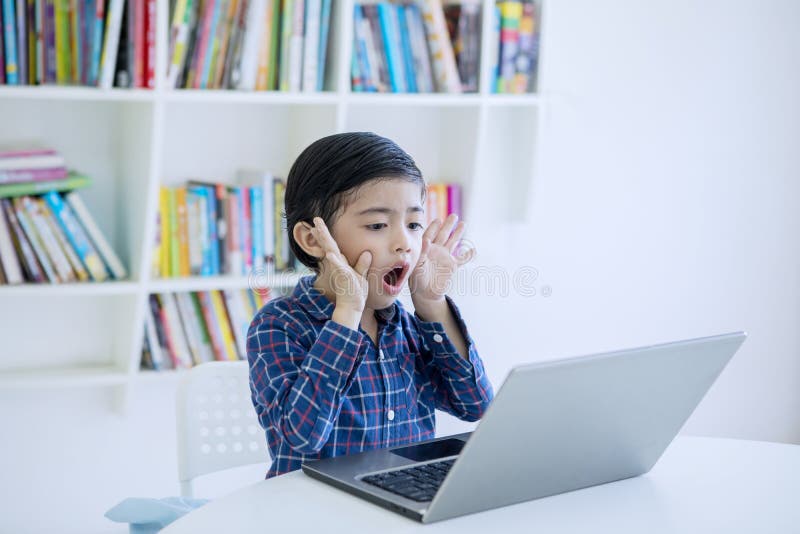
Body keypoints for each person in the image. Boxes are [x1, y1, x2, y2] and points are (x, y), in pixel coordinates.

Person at [247, 132, 493, 478]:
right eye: (377, 225)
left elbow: (475, 404)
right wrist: (347, 313)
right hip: (310, 510)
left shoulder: (409, 326)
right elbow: (302, 437)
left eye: (413, 224)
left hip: (399, 504)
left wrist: (431, 304)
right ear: (313, 239)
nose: (404, 243)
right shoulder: (279, 325)